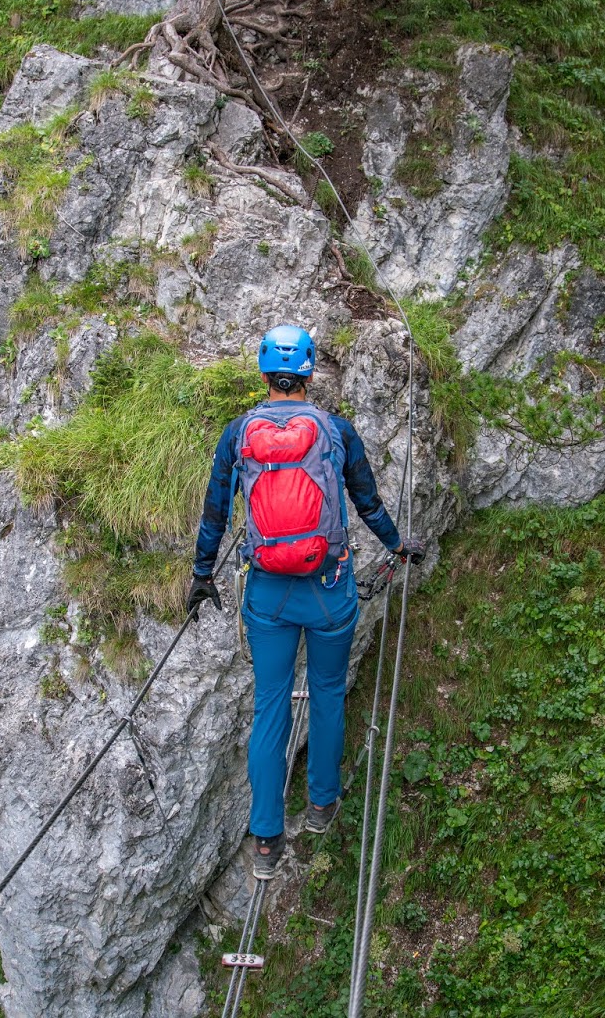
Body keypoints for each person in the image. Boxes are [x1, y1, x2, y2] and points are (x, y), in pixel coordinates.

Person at [187, 324, 423, 879]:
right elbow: (366, 500)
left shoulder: (237, 433)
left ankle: (265, 840)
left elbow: (216, 513)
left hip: (268, 593)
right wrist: (396, 545)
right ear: (310, 371)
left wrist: (202, 574)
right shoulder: (335, 431)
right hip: (327, 590)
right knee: (327, 693)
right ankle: (321, 804)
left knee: (270, 706)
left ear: (264, 373)